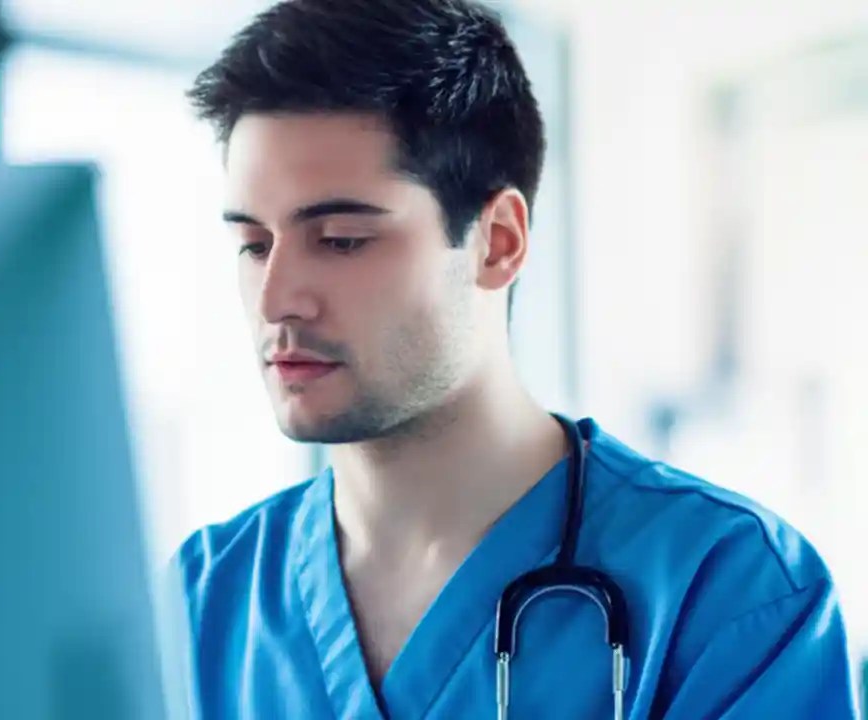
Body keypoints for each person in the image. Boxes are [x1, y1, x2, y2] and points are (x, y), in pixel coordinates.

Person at [158, 0, 861, 718]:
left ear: (497, 242)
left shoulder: (733, 596)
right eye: (252, 244)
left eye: (340, 239)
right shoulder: (196, 604)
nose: (276, 299)